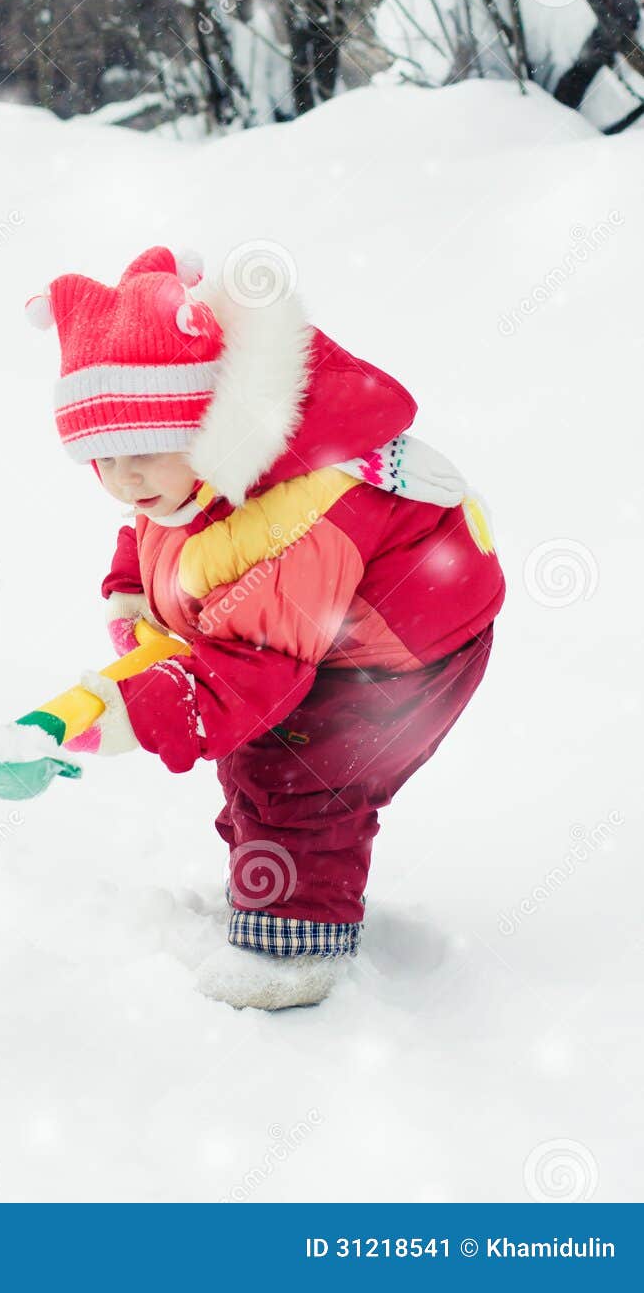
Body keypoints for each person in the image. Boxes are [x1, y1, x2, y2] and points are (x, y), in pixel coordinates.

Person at [25, 246, 505, 1009]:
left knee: (300, 777)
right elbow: (157, 530)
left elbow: (257, 664)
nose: (124, 480)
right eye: (101, 458)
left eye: (142, 452)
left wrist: (128, 712)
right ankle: (274, 883)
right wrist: (132, 596)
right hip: (315, 632)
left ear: (211, 422)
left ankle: (293, 952)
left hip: (402, 655)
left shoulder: (303, 515)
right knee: (261, 758)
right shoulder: (205, 473)